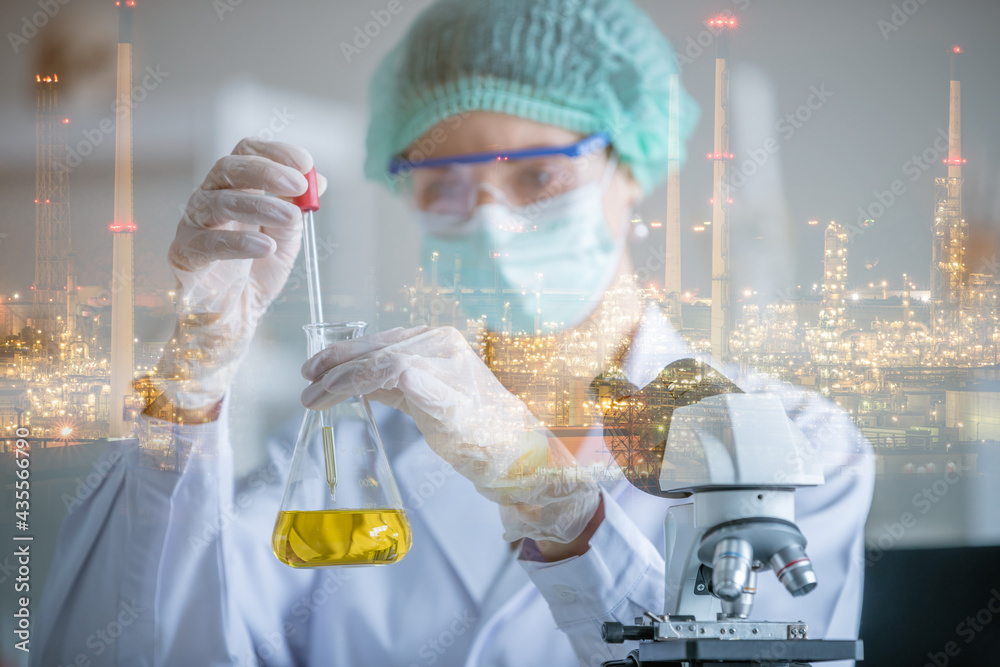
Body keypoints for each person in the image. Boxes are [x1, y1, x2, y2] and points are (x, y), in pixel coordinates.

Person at [33, 0, 874, 665]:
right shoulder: (346, 457)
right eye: (441, 182)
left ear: (633, 167)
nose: (491, 220)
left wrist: (551, 495)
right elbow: (127, 644)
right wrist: (190, 374)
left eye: (540, 173)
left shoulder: (797, 447)